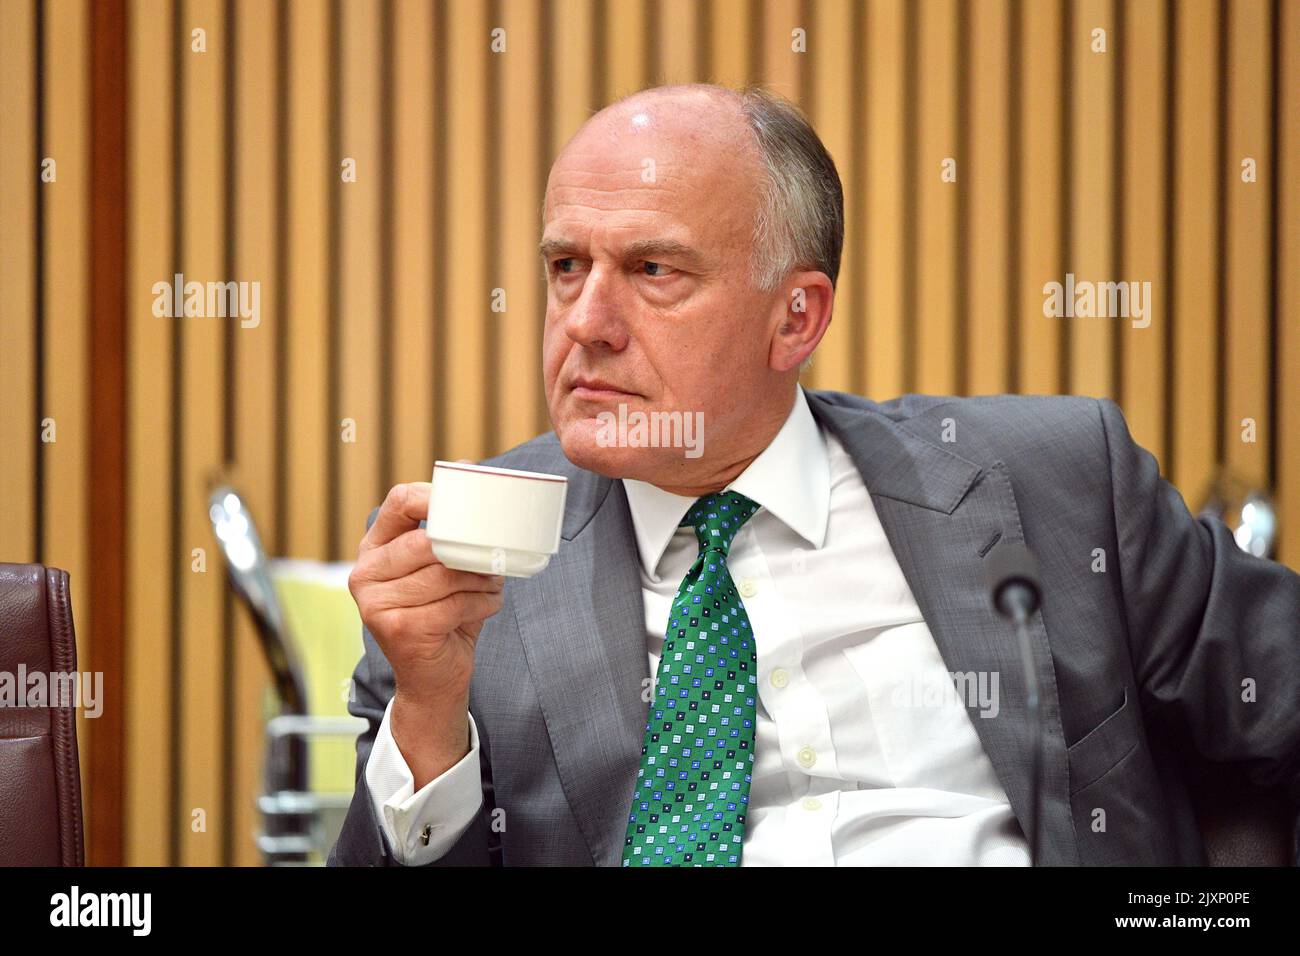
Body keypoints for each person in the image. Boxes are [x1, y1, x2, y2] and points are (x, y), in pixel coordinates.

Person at [329, 84, 1299, 867]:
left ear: (796, 316)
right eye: (566, 266)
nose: (586, 320)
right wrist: (425, 711)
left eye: (654, 270)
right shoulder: (464, 560)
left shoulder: (1055, 482)